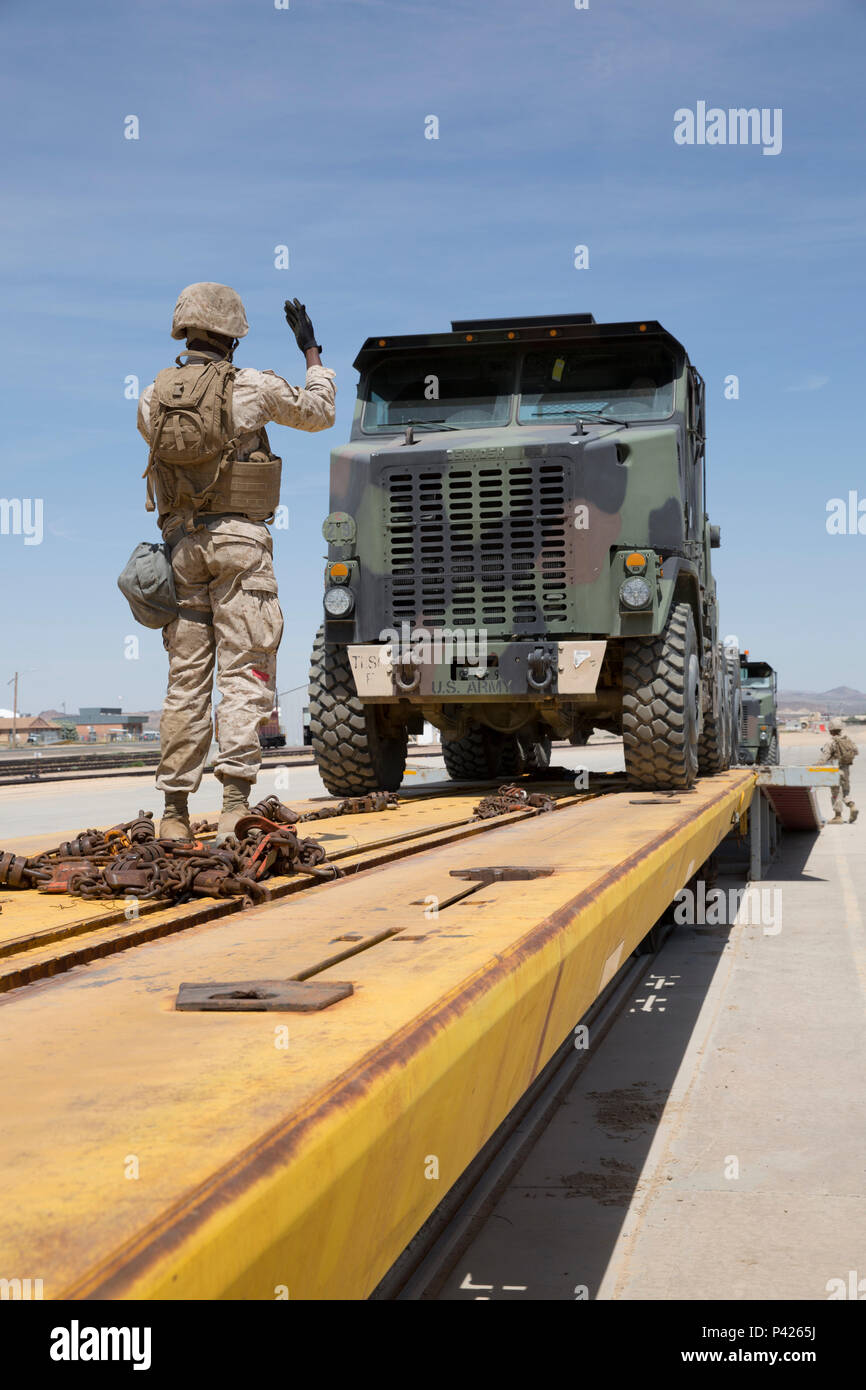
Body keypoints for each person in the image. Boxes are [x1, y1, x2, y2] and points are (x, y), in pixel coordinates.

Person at [137, 283, 336, 840]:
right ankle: (231, 805)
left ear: (186, 329)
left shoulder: (152, 395)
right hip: (241, 549)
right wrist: (312, 354)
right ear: (233, 335)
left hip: (182, 551)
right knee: (246, 672)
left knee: (185, 683)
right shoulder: (250, 386)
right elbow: (319, 413)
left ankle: (174, 813)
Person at [821, 718, 859, 824]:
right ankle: (852, 805)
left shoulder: (831, 742)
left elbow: (824, 758)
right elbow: (856, 752)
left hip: (834, 770)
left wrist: (815, 766)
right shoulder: (848, 740)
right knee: (846, 790)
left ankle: (838, 816)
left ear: (830, 730)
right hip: (846, 769)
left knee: (836, 792)